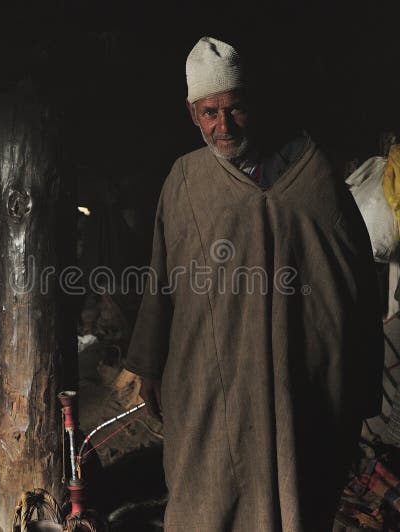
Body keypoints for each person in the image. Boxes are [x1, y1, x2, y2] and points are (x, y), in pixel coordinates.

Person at [124, 36, 383, 531]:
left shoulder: (311, 175)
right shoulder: (184, 180)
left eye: (235, 109)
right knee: (207, 493)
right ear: (192, 114)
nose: (223, 126)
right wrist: (149, 364)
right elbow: (160, 279)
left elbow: (352, 282)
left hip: (300, 379)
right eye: (209, 113)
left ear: (254, 105)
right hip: (208, 381)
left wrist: (361, 377)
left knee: (300, 487)